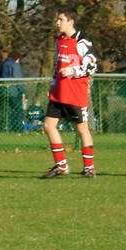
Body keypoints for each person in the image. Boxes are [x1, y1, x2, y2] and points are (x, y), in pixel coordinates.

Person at [41, 10, 98, 178]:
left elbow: (92, 66)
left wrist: (73, 70)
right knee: (48, 126)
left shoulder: (82, 42)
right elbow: (56, 66)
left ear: (71, 21)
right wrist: (52, 85)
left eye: (61, 19)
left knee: (82, 129)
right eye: (57, 19)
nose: (57, 23)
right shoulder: (59, 41)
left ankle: (89, 168)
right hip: (59, 92)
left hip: (75, 93)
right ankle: (61, 166)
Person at [1, 51, 24, 132]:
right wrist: (23, 91)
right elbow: (18, 79)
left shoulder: (3, 64)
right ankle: (18, 129)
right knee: (18, 111)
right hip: (14, 92)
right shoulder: (15, 65)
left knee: (8, 111)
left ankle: (7, 129)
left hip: (3, 91)